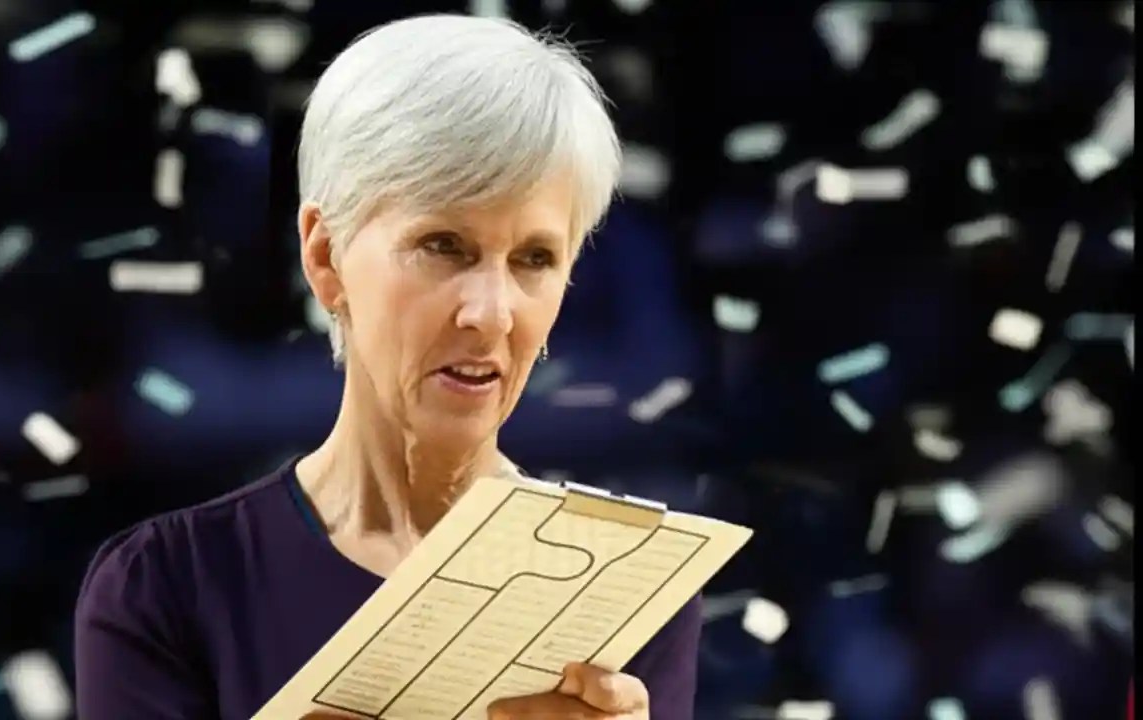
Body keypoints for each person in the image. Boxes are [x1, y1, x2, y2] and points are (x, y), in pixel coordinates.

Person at [75, 13, 702, 720]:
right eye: (443, 245)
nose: (492, 313)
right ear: (324, 255)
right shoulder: (166, 587)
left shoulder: (633, 595)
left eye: (534, 258)